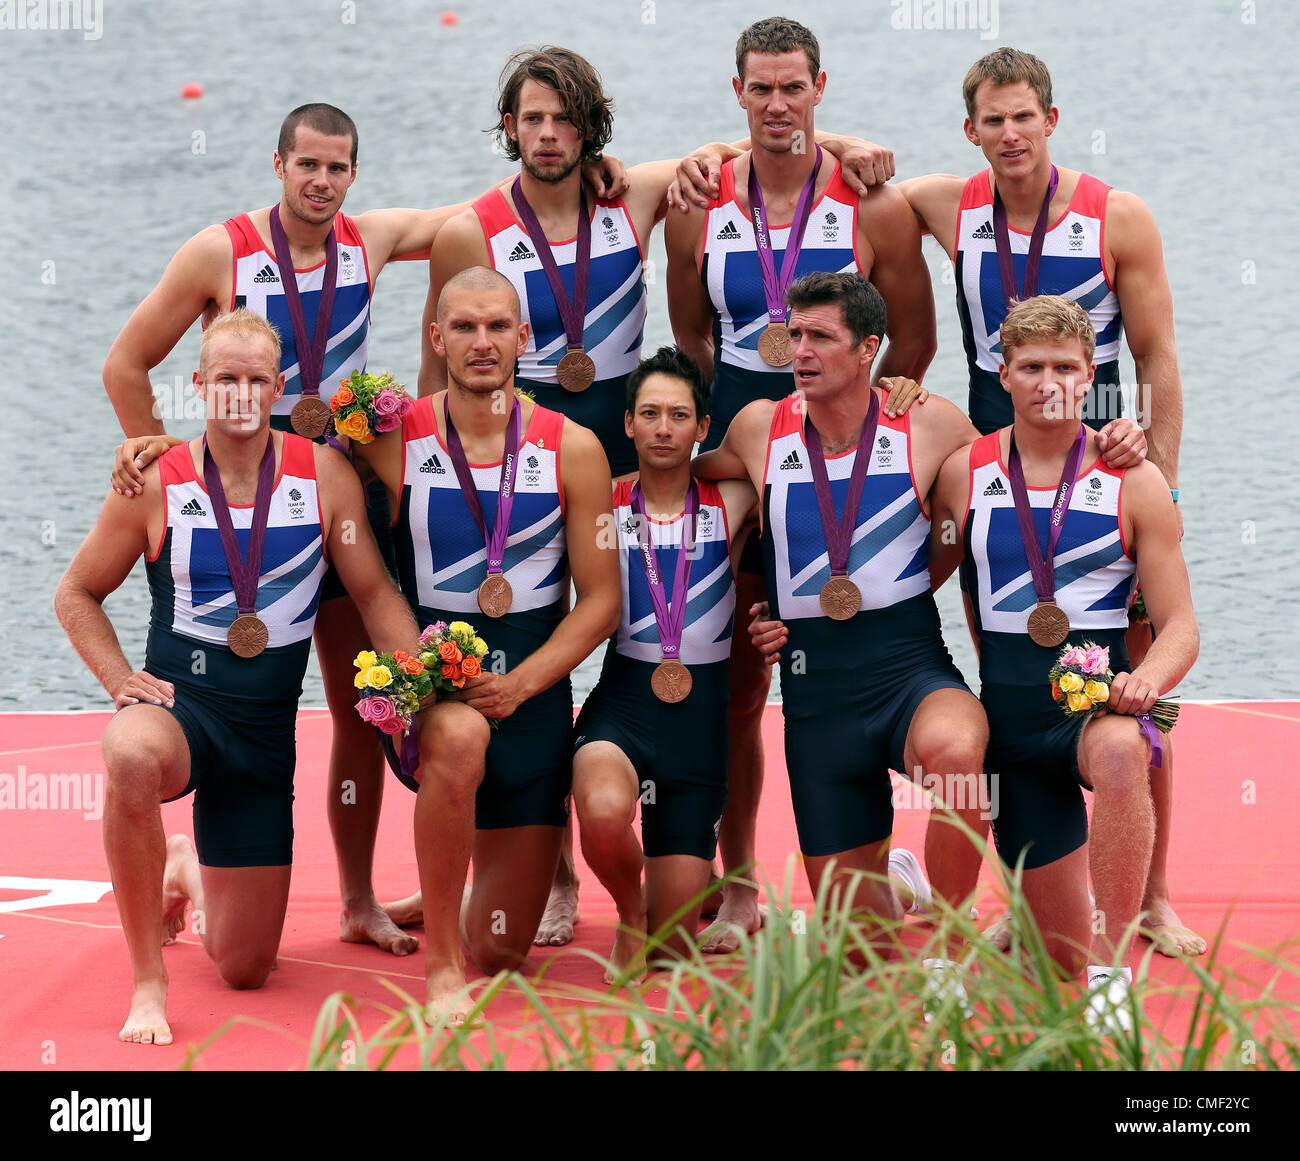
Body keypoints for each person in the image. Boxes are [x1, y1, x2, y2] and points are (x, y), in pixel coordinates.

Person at [100, 103, 622, 958]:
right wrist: (154, 446)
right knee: (264, 698)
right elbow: (126, 363)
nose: (320, 181)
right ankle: (213, 853)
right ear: (277, 165)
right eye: (306, 165)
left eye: (337, 168)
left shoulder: (370, 239)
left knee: (356, 712)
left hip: (338, 502)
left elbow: (489, 206)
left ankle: (357, 898)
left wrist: (606, 169)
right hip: (245, 506)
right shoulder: (218, 252)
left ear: (352, 175)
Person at [421, 45, 890, 947]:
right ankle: (552, 868)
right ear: (509, 126)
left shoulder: (630, 195)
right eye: (531, 118)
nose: (548, 134)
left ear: (592, 125)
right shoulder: (467, 234)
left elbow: (760, 137)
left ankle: (739, 877)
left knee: (735, 680)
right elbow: (431, 356)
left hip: (630, 462)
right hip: (519, 488)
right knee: (545, 656)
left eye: (565, 118)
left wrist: (851, 140)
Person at [897, 47, 1201, 955]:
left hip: (1103, 459)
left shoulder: (1118, 215)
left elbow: (1158, 361)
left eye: (1024, 116)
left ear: (1052, 120)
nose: (1010, 133)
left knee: (1131, 699)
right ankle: (1031, 888)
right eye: (992, 120)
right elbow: (859, 179)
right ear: (971, 131)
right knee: (1012, 680)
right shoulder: (951, 205)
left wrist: (1157, 480)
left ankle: (1154, 895)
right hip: (997, 475)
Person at [54, 310, 426, 1045]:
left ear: (277, 387)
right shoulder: (158, 480)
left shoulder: (323, 473)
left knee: (245, 965)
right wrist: (118, 676)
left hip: (263, 741)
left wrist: (419, 688)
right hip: (181, 712)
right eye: (225, 379)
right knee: (128, 753)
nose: (241, 393)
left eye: (257, 380)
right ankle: (148, 982)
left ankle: (184, 866)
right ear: (199, 386)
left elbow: (376, 594)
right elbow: (76, 593)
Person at [664, 17, 938, 951]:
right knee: (742, 680)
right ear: (737, 92)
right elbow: (695, 338)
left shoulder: (876, 203)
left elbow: (913, 334)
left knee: (873, 628)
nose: (777, 105)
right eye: (760, 89)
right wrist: (734, 435)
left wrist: (885, 395)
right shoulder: (698, 201)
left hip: (850, 439)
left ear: (823, 87)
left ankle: (894, 856)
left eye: (794, 88)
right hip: (752, 439)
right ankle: (737, 882)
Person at [691, 271, 992, 955]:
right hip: (816, 699)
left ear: (868, 349)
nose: (798, 349)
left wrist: (1113, 442)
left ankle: (948, 948)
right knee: (861, 956)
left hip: (907, 669)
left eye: (820, 336)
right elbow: (672, 477)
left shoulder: (929, 421)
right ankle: (901, 881)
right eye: (794, 333)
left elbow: (1011, 482)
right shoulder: (757, 427)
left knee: (957, 754)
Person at [348, 267, 621, 1018]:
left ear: (524, 338)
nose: (481, 343)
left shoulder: (575, 448)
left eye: (498, 327)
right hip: (435, 695)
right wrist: (151, 443)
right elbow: (281, 455)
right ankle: (440, 969)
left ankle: (449, 881)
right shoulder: (390, 434)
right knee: (461, 738)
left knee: (501, 946)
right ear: (435, 338)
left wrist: (523, 683)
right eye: (463, 327)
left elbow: (601, 603)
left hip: (530, 699)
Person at [926, 295, 1198, 1028]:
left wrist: (1148, 678)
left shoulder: (1134, 482)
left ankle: (1113, 976)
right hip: (1008, 732)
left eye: (1067, 367)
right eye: (1032, 366)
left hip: (1090, 713)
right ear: (1003, 373)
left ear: (1089, 378)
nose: (1050, 380)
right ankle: (994, 929)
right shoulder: (963, 473)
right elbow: (914, 583)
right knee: (1056, 956)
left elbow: (1179, 627)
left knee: (1121, 753)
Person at [571, 346, 756, 981]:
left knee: (675, 952)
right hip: (623, 706)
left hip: (698, 732)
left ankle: (686, 890)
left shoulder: (733, 498)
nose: (662, 428)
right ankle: (628, 913)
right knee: (599, 809)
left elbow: (809, 431)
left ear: (703, 428)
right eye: (648, 413)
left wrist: (898, 387)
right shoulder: (600, 503)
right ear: (627, 424)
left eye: (680, 415)